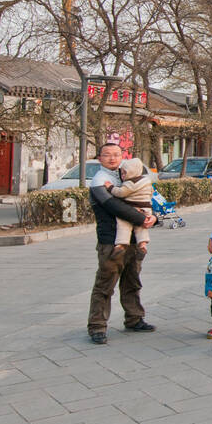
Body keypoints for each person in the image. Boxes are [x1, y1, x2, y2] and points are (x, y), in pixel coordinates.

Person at [86, 142, 157, 345]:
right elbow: (113, 206)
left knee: (132, 281)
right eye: (107, 155)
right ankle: (97, 326)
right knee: (105, 285)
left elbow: (148, 198)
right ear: (99, 158)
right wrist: (142, 219)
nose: (112, 158)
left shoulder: (126, 175)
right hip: (111, 241)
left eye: (117, 154)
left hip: (134, 240)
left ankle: (134, 318)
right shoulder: (100, 181)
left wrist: (154, 218)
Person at [103, 157, 154, 259]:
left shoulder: (130, 183)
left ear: (131, 172)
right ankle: (143, 244)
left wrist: (110, 187)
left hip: (133, 206)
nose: (122, 176)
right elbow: (151, 193)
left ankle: (121, 244)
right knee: (141, 227)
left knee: (123, 224)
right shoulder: (147, 181)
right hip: (146, 208)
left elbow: (121, 193)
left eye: (124, 173)